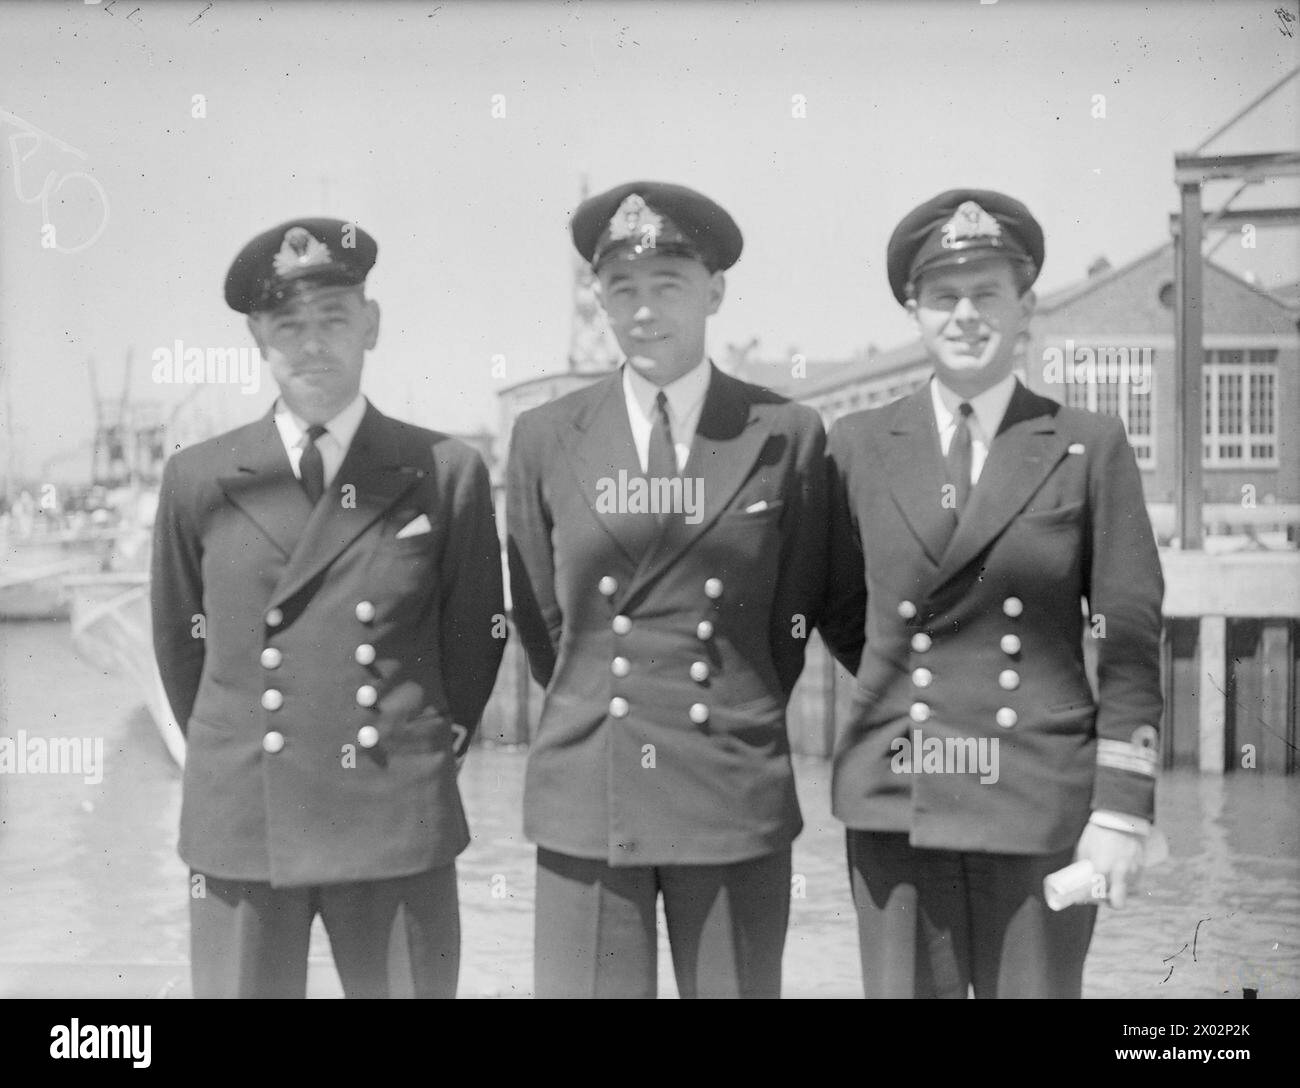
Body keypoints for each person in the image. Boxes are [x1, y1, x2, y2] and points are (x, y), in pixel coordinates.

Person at [819, 189, 1164, 998]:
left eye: (987, 294)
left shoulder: (1086, 447)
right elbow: (844, 612)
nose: (965, 314)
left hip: (1038, 800)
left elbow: (1130, 639)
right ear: (916, 310)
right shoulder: (859, 445)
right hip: (899, 795)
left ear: (1025, 307)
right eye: (943, 296)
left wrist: (1120, 812)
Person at [151, 217, 505, 998]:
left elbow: (475, 638)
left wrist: (416, 751)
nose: (312, 344)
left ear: (370, 325)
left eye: (334, 319)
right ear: (256, 335)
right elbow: (184, 649)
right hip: (246, 821)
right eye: (288, 325)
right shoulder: (200, 479)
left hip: (393, 815)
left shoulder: (444, 471)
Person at [507, 181, 827, 998]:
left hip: (728, 785)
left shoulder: (783, 434)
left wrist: (731, 708)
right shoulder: (546, 437)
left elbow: (791, 616)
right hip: (591, 790)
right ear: (601, 300)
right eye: (623, 290)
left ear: (714, 291)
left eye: (668, 287)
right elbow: (546, 623)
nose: (644, 312)